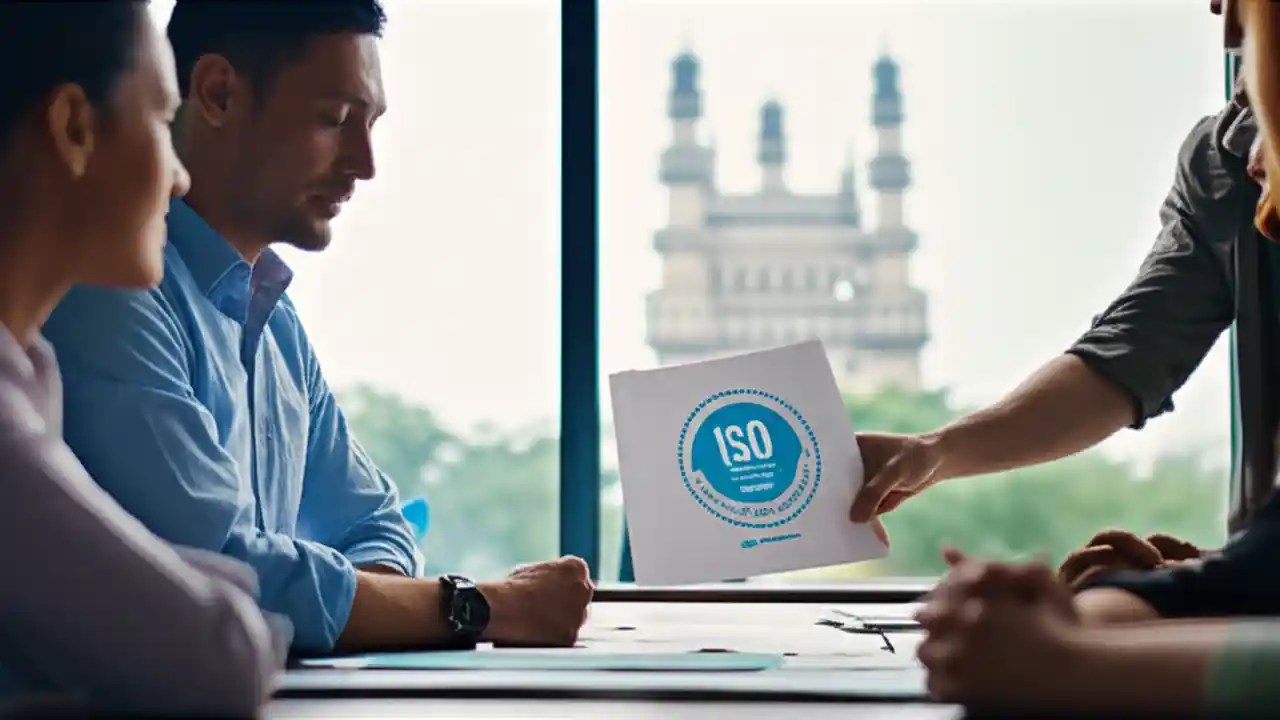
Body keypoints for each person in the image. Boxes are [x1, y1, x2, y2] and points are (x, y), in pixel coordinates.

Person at [41, 0, 593, 656]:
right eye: (334, 120)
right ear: (218, 94)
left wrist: (364, 608)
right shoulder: (111, 297)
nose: (365, 163)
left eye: (371, 124)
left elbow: (375, 525)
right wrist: (478, 607)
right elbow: (219, 577)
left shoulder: (273, 323)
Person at [916, 2, 1280, 715]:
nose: (1253, 157)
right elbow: (1130, 349)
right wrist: (1081, 618)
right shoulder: (1231, 159)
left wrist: (1066, 659)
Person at [0, 1, 283, 715]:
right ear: (74, 128)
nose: (179, 178)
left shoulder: (30, 376)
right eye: (162, 121)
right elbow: (220, 657)